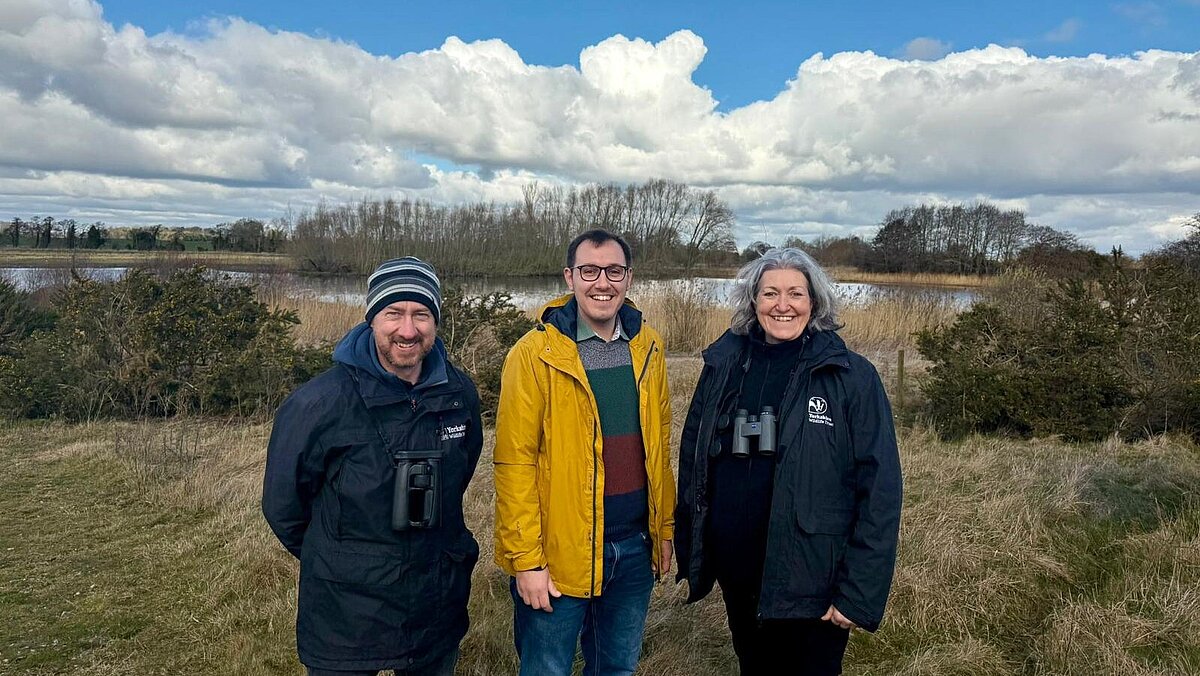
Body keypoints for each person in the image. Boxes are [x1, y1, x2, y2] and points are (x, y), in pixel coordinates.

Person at [674, 248, 902, 676]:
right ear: (753, 301)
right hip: (739, 569)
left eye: (796, 293)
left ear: (814, 302)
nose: (783, 305)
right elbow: (695, 458)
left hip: (813, 576)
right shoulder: (725, 364)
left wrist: (858, 592)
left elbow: (881, 490)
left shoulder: (849, 376)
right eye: (770, 293)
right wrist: (690, 541)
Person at [262, 257, 483, 676]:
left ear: (435, 320)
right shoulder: (318, 404)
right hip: (345, 612)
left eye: (421, 314)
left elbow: (463, 470)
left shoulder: (458, 394)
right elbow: (283, 506)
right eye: (393, 313)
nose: (407, 329)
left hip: (435, 601)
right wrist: (341, 556)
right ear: (371, 319)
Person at [493, 229, 676, 676]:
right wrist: (527, 561)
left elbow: (659, 446)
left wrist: (663, 526)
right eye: (589, 271)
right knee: (547, 669)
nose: (602, 283)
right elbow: (513, 462)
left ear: (628, 278)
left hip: (633, 547)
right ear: (569, 277)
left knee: (616, 668)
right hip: (559, 553)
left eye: (614, 271)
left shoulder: (648, 347)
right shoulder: (534, 354)